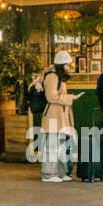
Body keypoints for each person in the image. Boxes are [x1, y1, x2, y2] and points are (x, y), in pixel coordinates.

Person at [40, 51, 78, 183]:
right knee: (52, 145)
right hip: (54, 115)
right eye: (68, 65)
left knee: (61, 144)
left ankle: (61, 172)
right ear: (62, 65)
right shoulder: (53, 76)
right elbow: (51, 96)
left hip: (59, 115)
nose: (69, 68)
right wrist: (69, 98)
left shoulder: (57, 76)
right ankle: (49, 174)